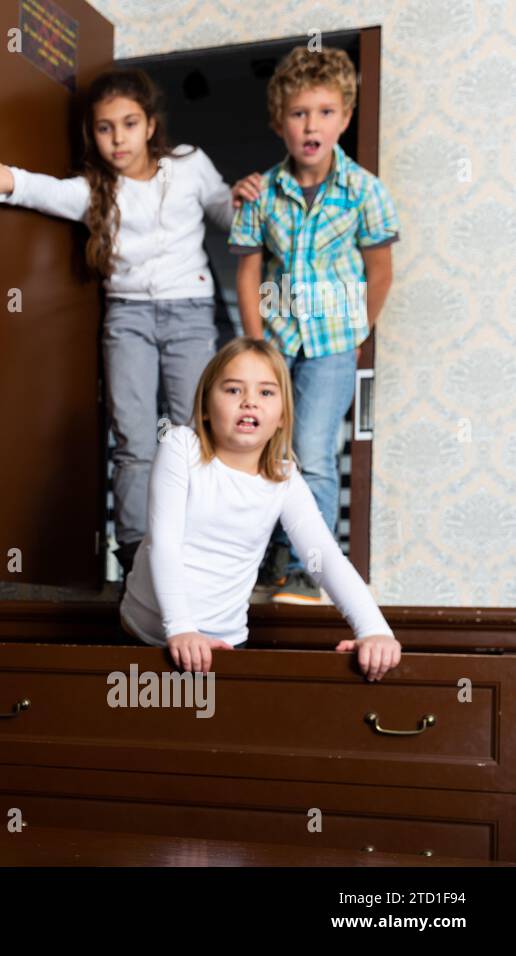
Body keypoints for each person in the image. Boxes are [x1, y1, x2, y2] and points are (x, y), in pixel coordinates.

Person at [0, 68, 256, 580]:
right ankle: (139, 553)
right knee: (134, 439)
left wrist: (249, 197)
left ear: (150, 125)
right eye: (105, 127)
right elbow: (42, 190)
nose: (118, 138)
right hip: (129, 316)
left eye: (129, 123)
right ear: (92, 135)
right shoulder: (95, 189)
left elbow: (229, 217)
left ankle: (195, 546)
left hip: (190, 313)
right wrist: (4, 176)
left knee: (194, 433)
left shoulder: (189, 166)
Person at [120, 337, 401, 680]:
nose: (250, 401)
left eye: (266, 393)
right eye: (234, 390)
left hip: (224, 644)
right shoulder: (181, 447)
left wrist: (375, 629)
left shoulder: (283, 479)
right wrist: (180, 627)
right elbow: (165, 543)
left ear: (282, 416)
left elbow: (324, 557)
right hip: (149, 634)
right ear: (205, 407)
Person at [229, 46, 400, 604]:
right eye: (300, 113)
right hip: (276, 342)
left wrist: (357, 331)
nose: (312, 125)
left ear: (345, 118)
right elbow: (250, 272)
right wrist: (255, 345)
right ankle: (270, 557)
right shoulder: (262, 194)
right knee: (267, 449)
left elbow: (379, 272)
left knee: (313, 450)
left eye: (326, 112)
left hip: (331, 343)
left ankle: (313, 568)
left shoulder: (365, 191)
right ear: (280, 121)